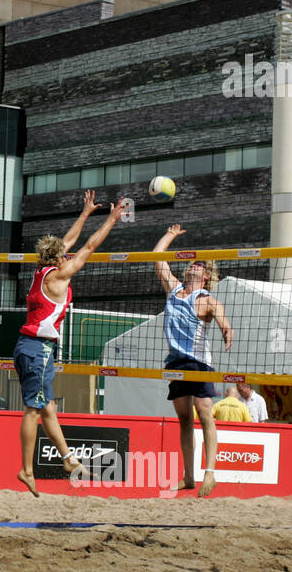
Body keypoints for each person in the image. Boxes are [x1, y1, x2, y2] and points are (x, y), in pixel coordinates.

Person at [16, 191, 127, 496]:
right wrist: (112, 219)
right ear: (60, 259)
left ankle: (68, 460)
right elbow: (89, 246)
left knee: (47, 407)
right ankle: (26, 469)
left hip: (36, 347)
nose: (67, 253)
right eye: (64, 253)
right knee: (33, 410)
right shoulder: (59, 276)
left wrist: (85, 213)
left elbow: (68, 240)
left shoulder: (44, 269)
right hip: (37, 349)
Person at [153, 223, 235, 498]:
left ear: (207, 274)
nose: (193, 266)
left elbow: (223, 320)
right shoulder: (174, 289)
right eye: (192, 264)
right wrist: (171, 235)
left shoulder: (207, 299)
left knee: (205, 413)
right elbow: (157, 257)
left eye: (199, 265)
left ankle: (209, 473)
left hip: (199, 363)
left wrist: (226, 330)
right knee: (184, 418)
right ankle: (189, 477)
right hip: (175, 363)